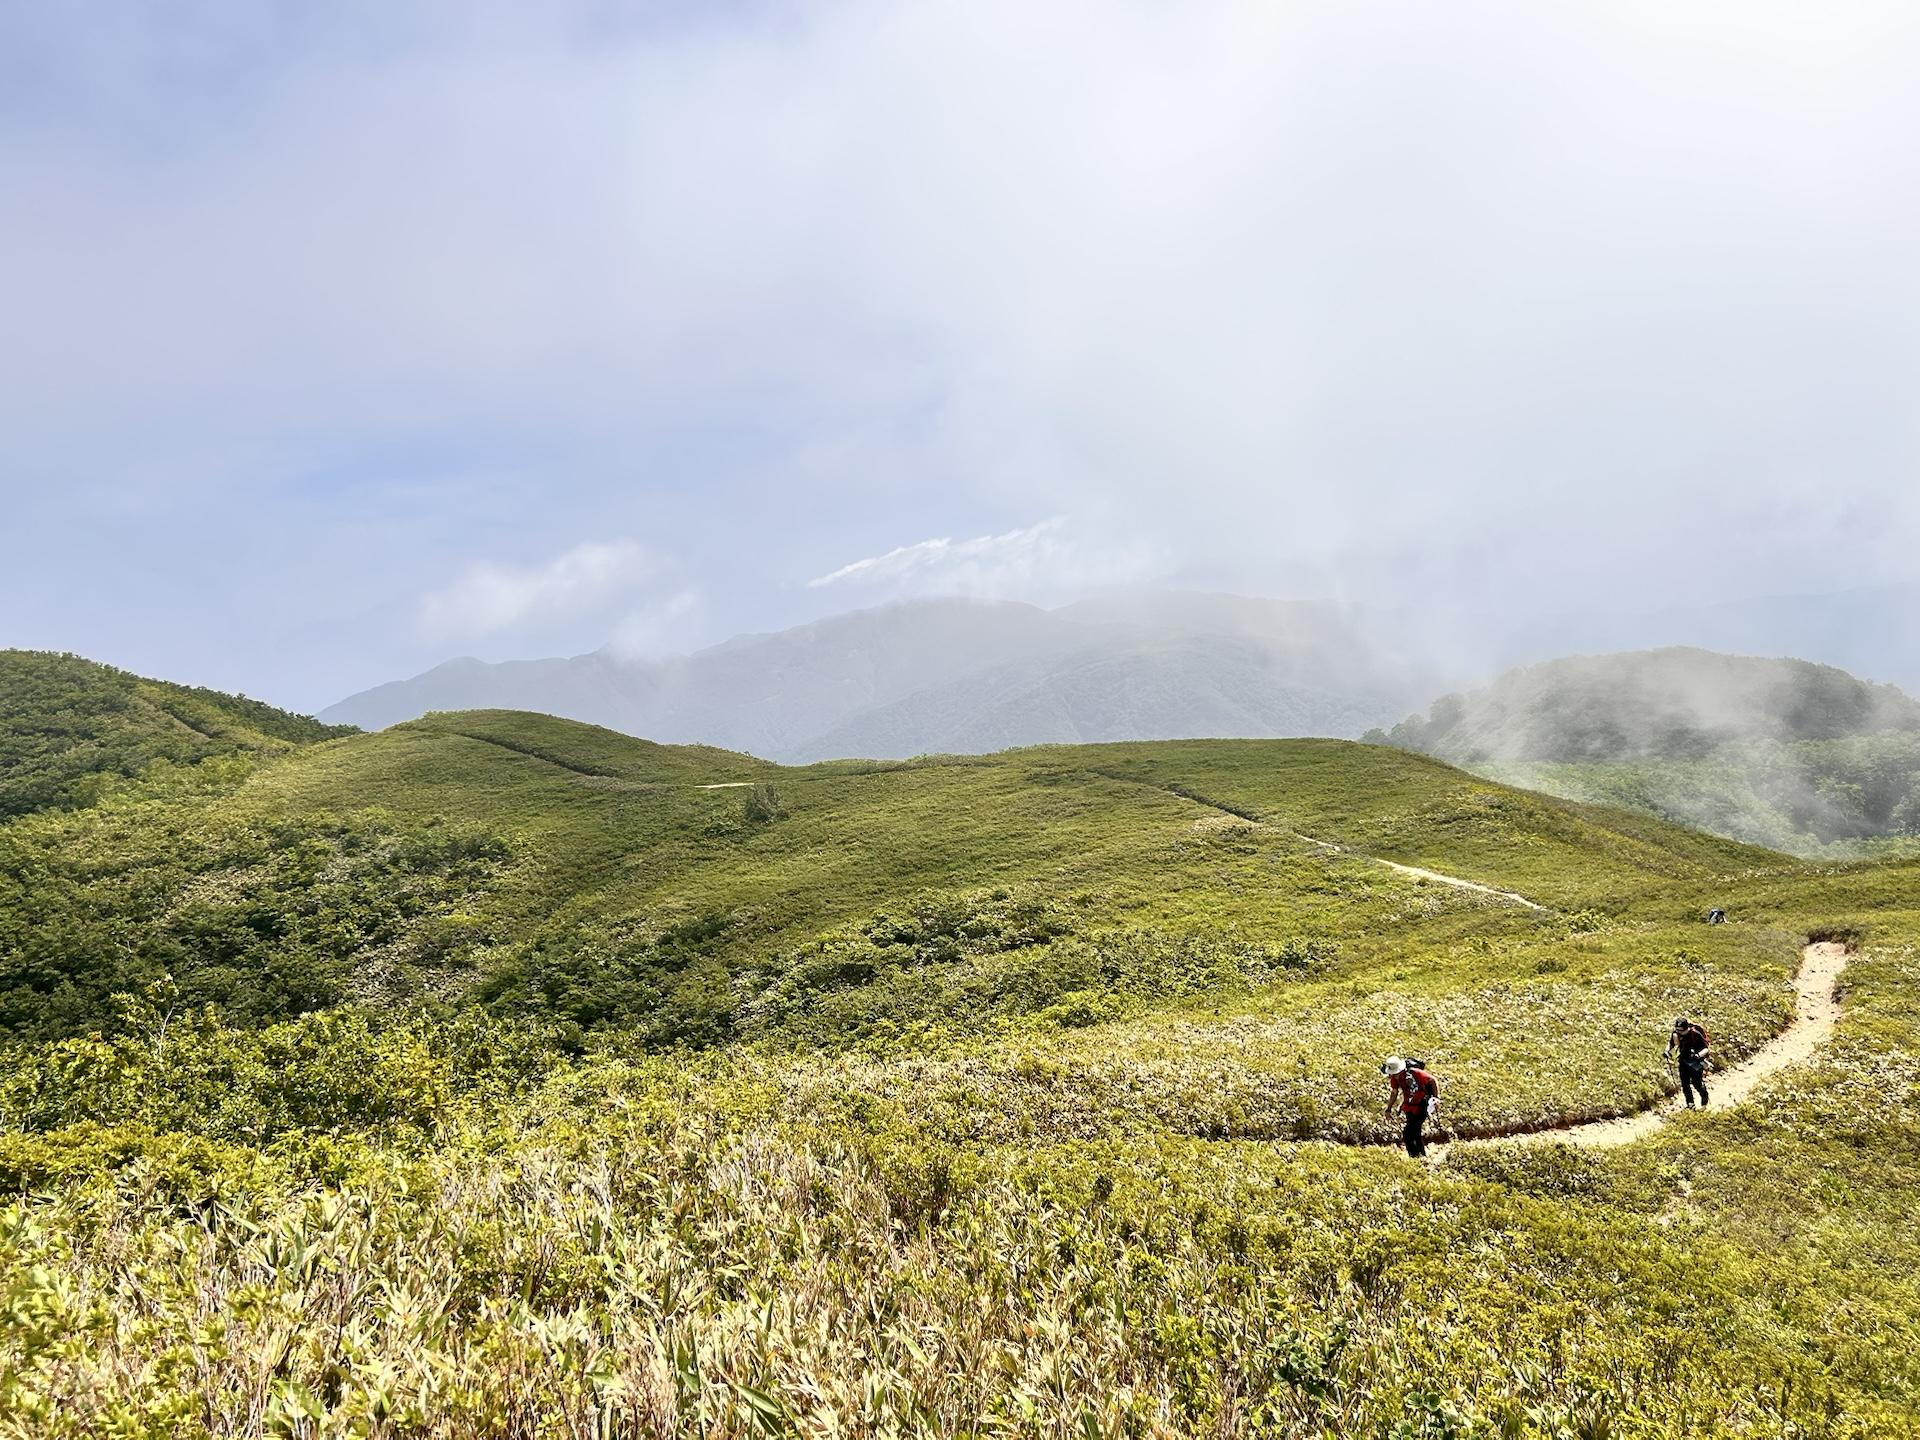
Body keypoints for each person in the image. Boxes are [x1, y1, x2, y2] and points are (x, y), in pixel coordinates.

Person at [1381, 1056, 1440, 1157]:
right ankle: (1420, 1156)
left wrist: (1436, 1098)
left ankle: (1415, 1156)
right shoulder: (1395, 1077)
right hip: (1409, 1106)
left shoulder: (1415, 1073)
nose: (1393, 1076)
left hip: (1422, 1104)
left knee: (1408, 1134)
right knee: (1415, 1132)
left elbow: (1432, 1080)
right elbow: (1394, 1093)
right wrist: (1388, 1109)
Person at [1665, 1016, 1711, 1108]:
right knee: (1685, 1083)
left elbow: (1706, 1048)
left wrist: (1698, 1055)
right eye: (1677, 1030)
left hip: (1696, 1062)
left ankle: (1704, 1098)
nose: (1679, 1032)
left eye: (1681, 1030)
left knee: (1696, 1083)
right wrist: (1667, 1051)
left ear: (1687, 1028)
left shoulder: (1695, 1034)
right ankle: (1690, 1104)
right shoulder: (1676, 1034)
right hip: (1683, 1060)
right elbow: (1671, 1043)